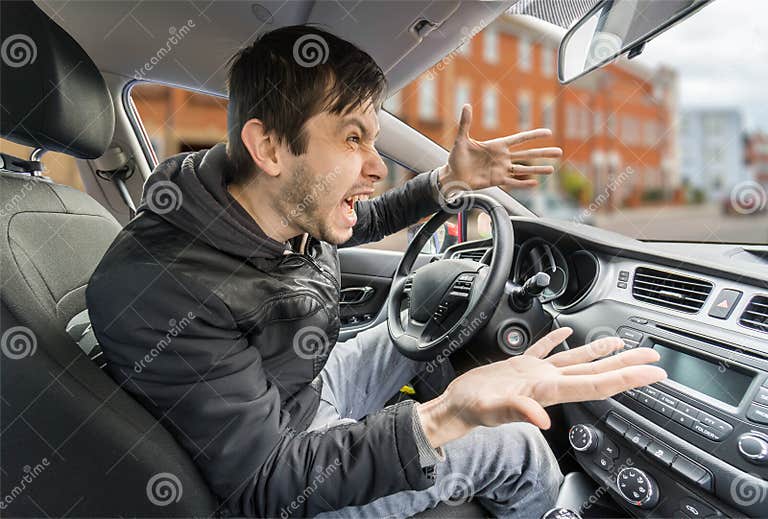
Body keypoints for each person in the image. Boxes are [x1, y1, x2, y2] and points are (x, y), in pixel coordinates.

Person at [86, 25, 667, 518]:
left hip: (303, 390)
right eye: (353, 139)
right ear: (268, 147)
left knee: (427, 316)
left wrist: (446, 182)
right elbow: (262, 482)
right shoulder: (165, 288)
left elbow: (353, 222)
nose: (376, 167)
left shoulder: (264, 199)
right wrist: (445, 416)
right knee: (515, 447)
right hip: (291, 464)